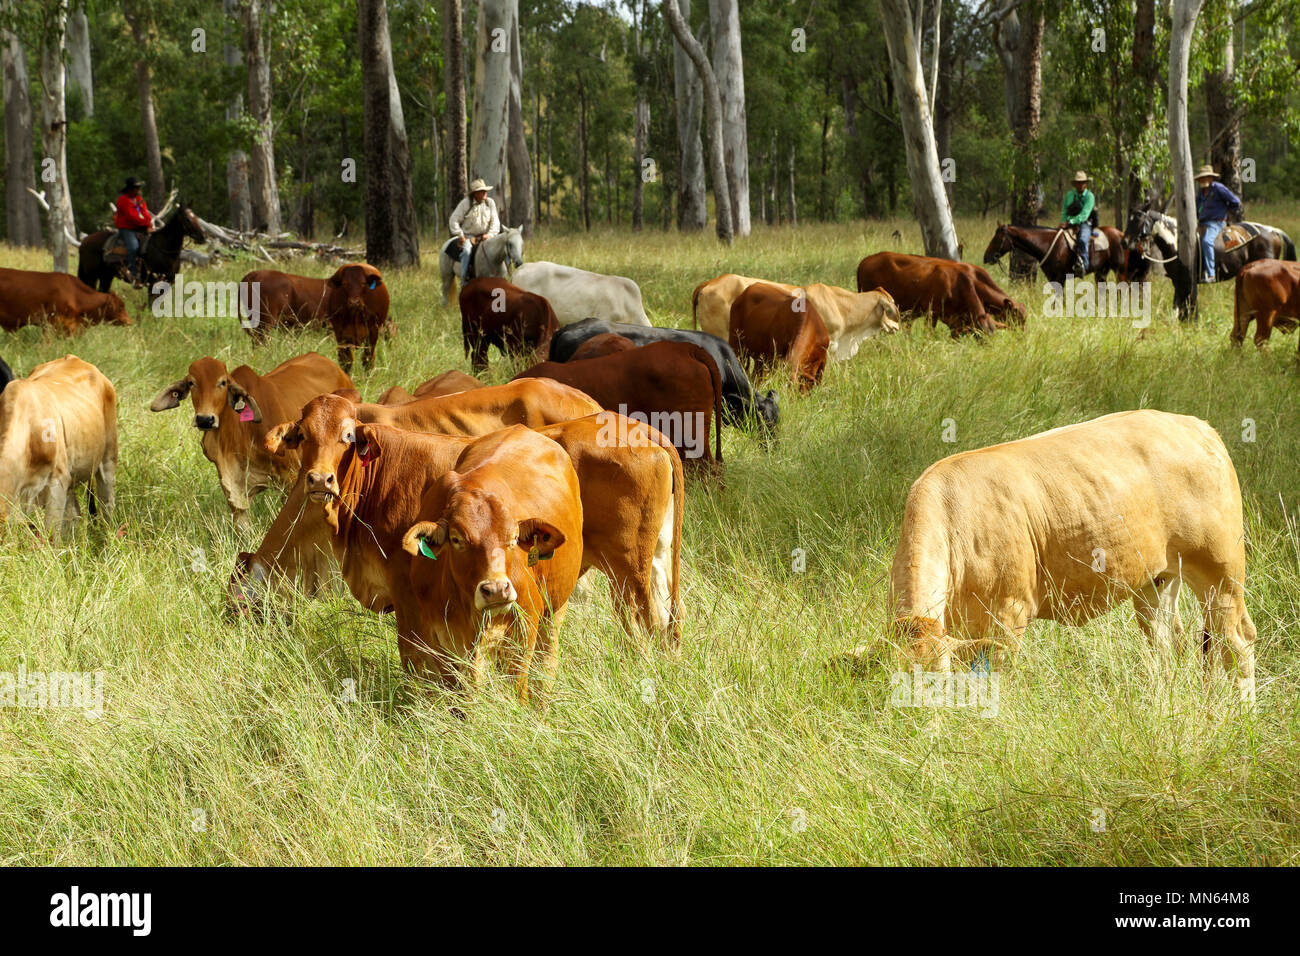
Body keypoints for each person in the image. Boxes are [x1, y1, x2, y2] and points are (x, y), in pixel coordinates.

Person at [1195, 164, 1242, 283]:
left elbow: (1235, 202)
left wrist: (1225, 211)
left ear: (1211, 178)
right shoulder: (1200, 193)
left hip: (1216, 223)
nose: (1204, 180)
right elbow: (1196, 209)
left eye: (1206, 177)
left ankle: (1211, 274)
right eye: (1202, 178)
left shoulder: (1218, 188)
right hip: (1201, 223)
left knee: (1207, 241)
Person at [448, 179, 501, 281]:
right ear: (476, 194)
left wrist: (490, 234)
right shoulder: (465, 204)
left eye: (485, 190)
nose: (485, 193)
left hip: (487, 237)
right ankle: (464, 278)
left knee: (502, 248)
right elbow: (453, 220)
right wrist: (460, 236)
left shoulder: (490, 203)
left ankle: (503, 274)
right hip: (469, 237)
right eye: (482, 191)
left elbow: (495, 222)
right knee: (467, 251)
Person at [114, 176, 154, 286]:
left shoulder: (139, 199)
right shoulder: (123, 200)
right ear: (130, 189)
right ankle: (131, 271)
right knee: (133, 247)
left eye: (139, 188)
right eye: (136, 188)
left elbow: (145, 213)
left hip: (140, 227)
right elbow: (131, 217)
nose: (138, 190)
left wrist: (148, 222)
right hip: (127, 228)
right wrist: (145, 224)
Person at [1059, 171, 1097, 277]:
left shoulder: (1090, 197)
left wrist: (1070, 222)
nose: (1080, 185)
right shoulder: (1069, 195)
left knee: (1082, 239)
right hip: (1068, 222)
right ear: (1075, 184)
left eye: (1082, 183)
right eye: (1078, 183)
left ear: (1085, 184)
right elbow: (1064, 210)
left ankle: (1084, 265)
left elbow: (1084, 214)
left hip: (1085, 223)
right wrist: (1063, 222)